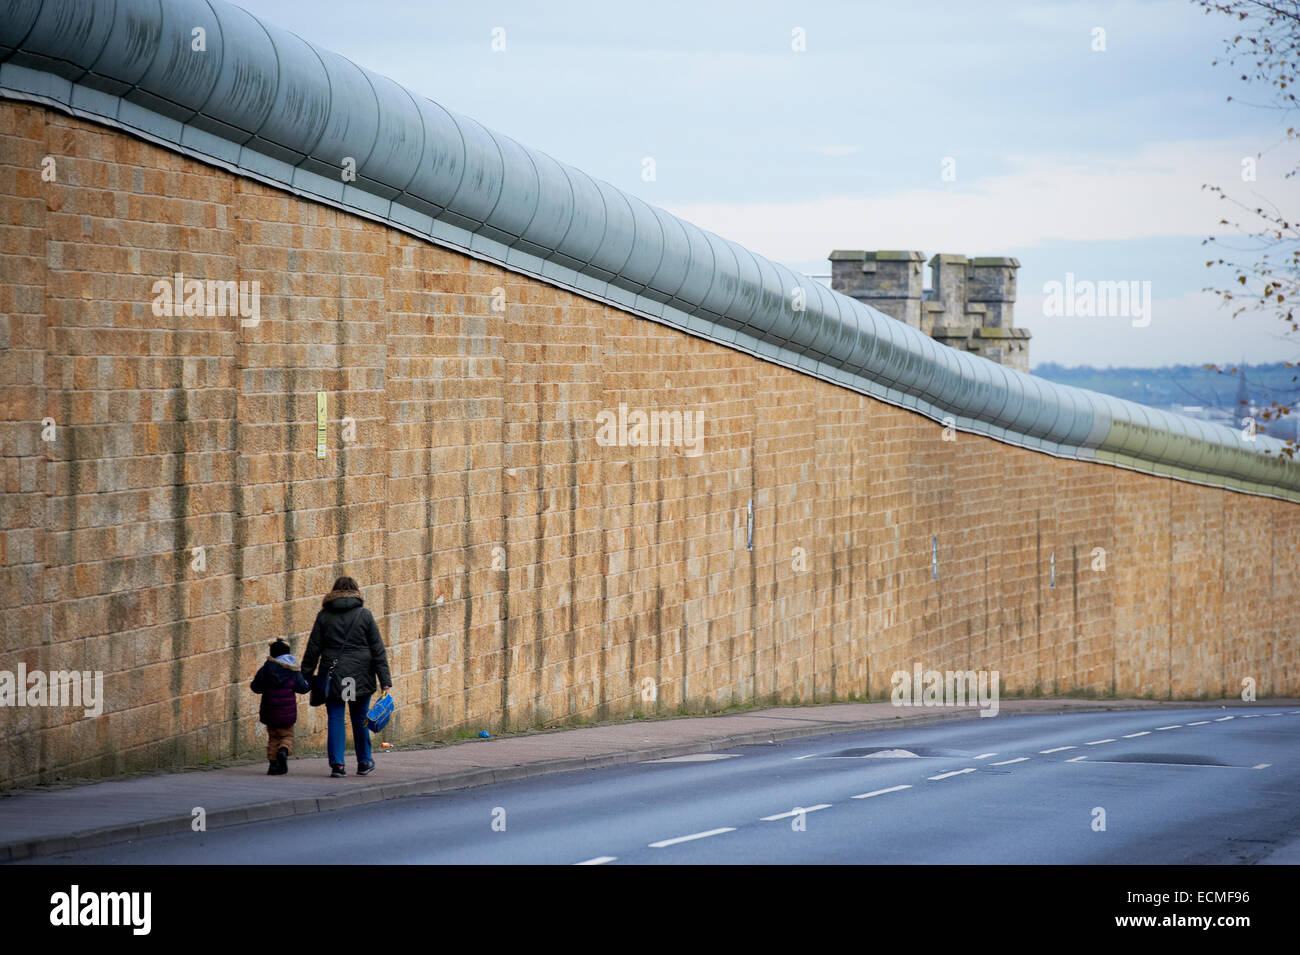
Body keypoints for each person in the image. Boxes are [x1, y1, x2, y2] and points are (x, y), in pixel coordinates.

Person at [302, 576, 392, 778]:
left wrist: (305, 675)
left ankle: (338, 764)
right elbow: (378, 650)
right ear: (356, 592)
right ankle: (364, 761)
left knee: (335, 717)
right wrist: (385, 681)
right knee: (359, 718)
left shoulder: (324, 616)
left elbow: (313, 648)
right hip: (358, 676)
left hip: (333, 675)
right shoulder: (364, 615)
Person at [250, 639, 310, 775]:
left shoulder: (266, 669)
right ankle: (283, 750)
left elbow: (255, 687)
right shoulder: (293, 670)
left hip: (269, 712)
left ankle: (272, 766)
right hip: (286, 714)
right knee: (286, 736)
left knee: (273, 738)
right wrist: (309, 682)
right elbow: (303, 688)